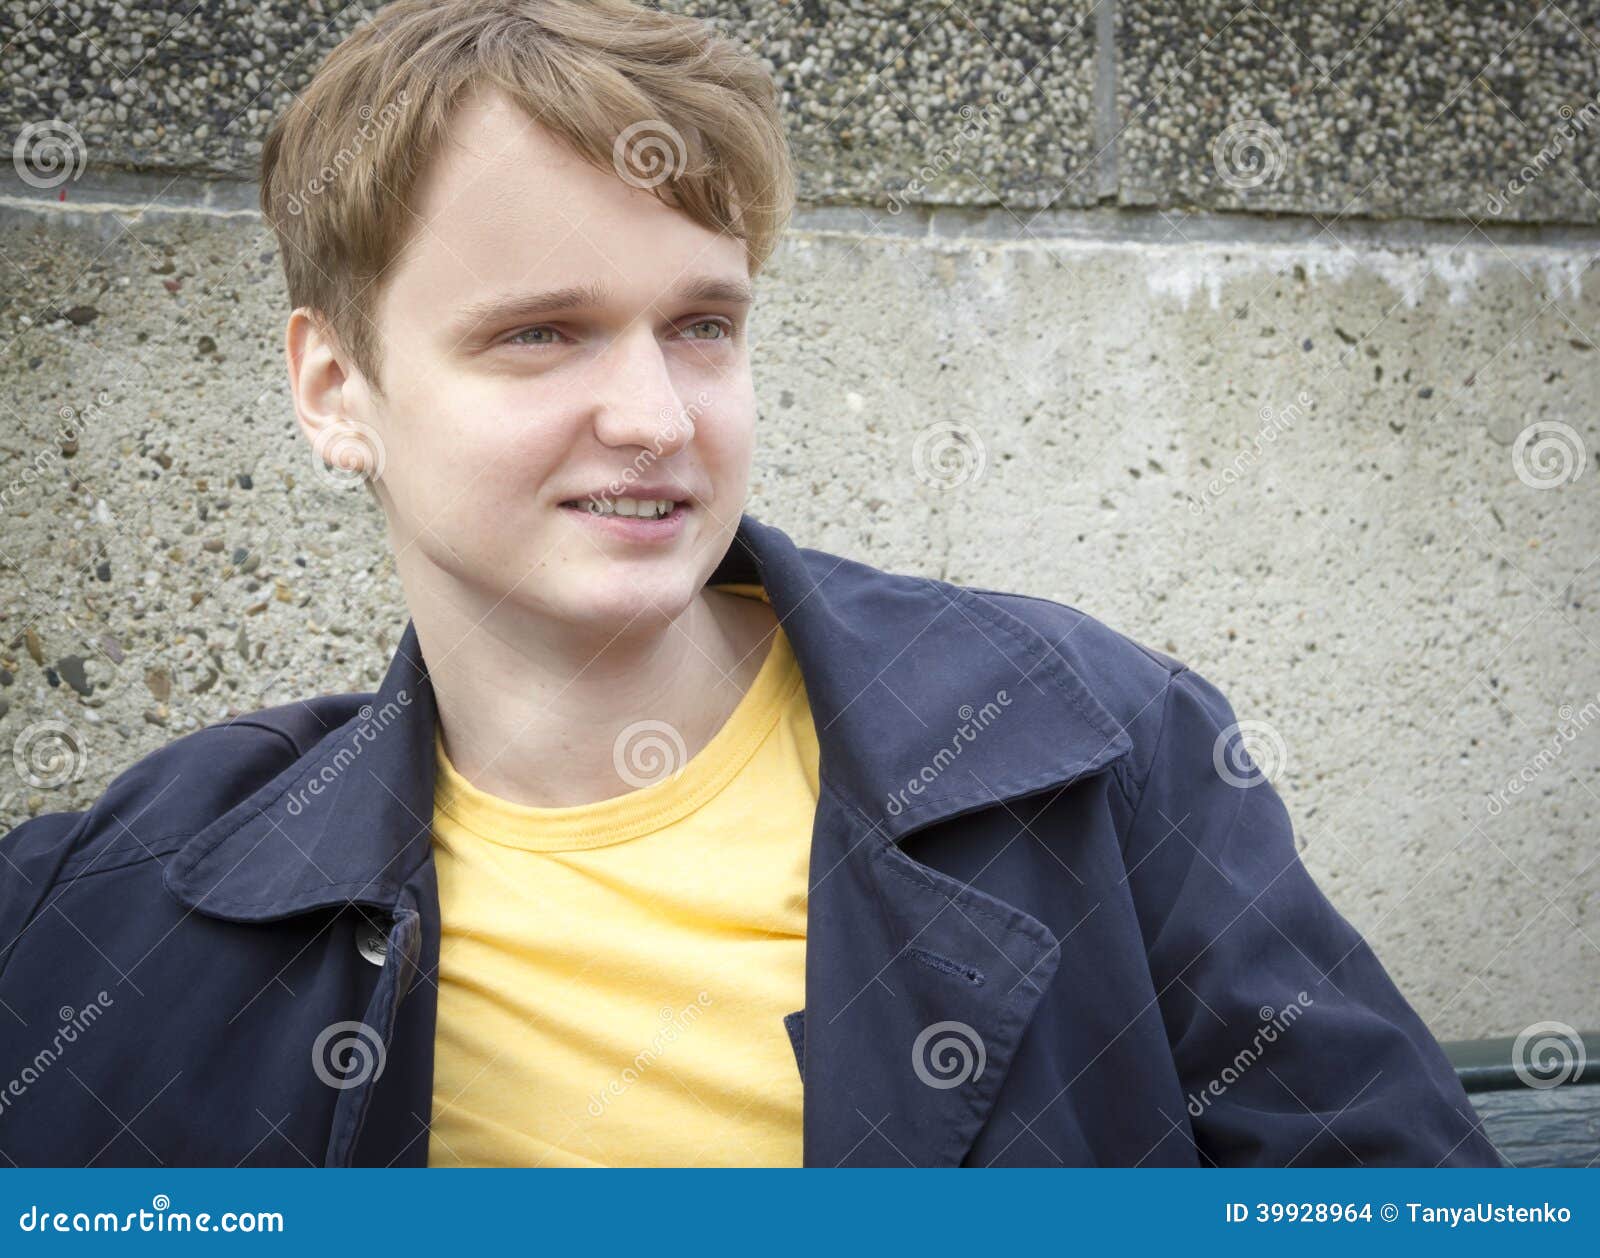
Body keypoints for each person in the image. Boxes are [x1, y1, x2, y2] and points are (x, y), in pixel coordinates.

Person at [0, 0, 1502, 1168]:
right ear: (336, 387)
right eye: (542, 333)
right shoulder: (121, 904)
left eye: (702, 325)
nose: (657, 415)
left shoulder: (1091, 746)